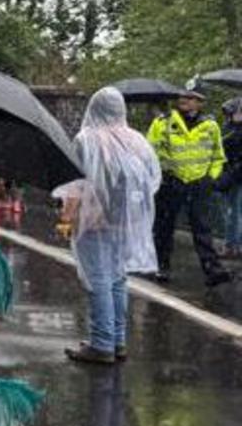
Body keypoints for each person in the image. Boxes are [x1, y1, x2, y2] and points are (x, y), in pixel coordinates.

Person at [55, 87, 161, 364]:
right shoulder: (137, 140)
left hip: (93, 220)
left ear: (94, 108)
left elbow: (76, 184)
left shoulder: (87, 140)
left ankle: (101, 344)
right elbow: (152, 179)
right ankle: (117, 341)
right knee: (117, 278)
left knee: (98, 279)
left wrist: (67, 218)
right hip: (125, 221)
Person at [146, 87, 232, 286]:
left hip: (198, 182)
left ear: (200, 102)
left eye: (191, 97)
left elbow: (218, 156)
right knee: (164, 227)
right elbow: (149, 152)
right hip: (171, 180)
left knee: (202, 227)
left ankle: (212, 269)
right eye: (182, 96)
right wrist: (159, 175)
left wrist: (211, 177)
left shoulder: (210, 126)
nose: (184, 99)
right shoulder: (163, 122)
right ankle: (161, 265)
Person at [218, 97, 242, 257]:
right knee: (234, 211)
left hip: (234, 176)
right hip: (231, 174)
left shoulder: (233, 131)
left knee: (232, 211)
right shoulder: (228, 128)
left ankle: (232, 245)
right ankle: (235, 244)